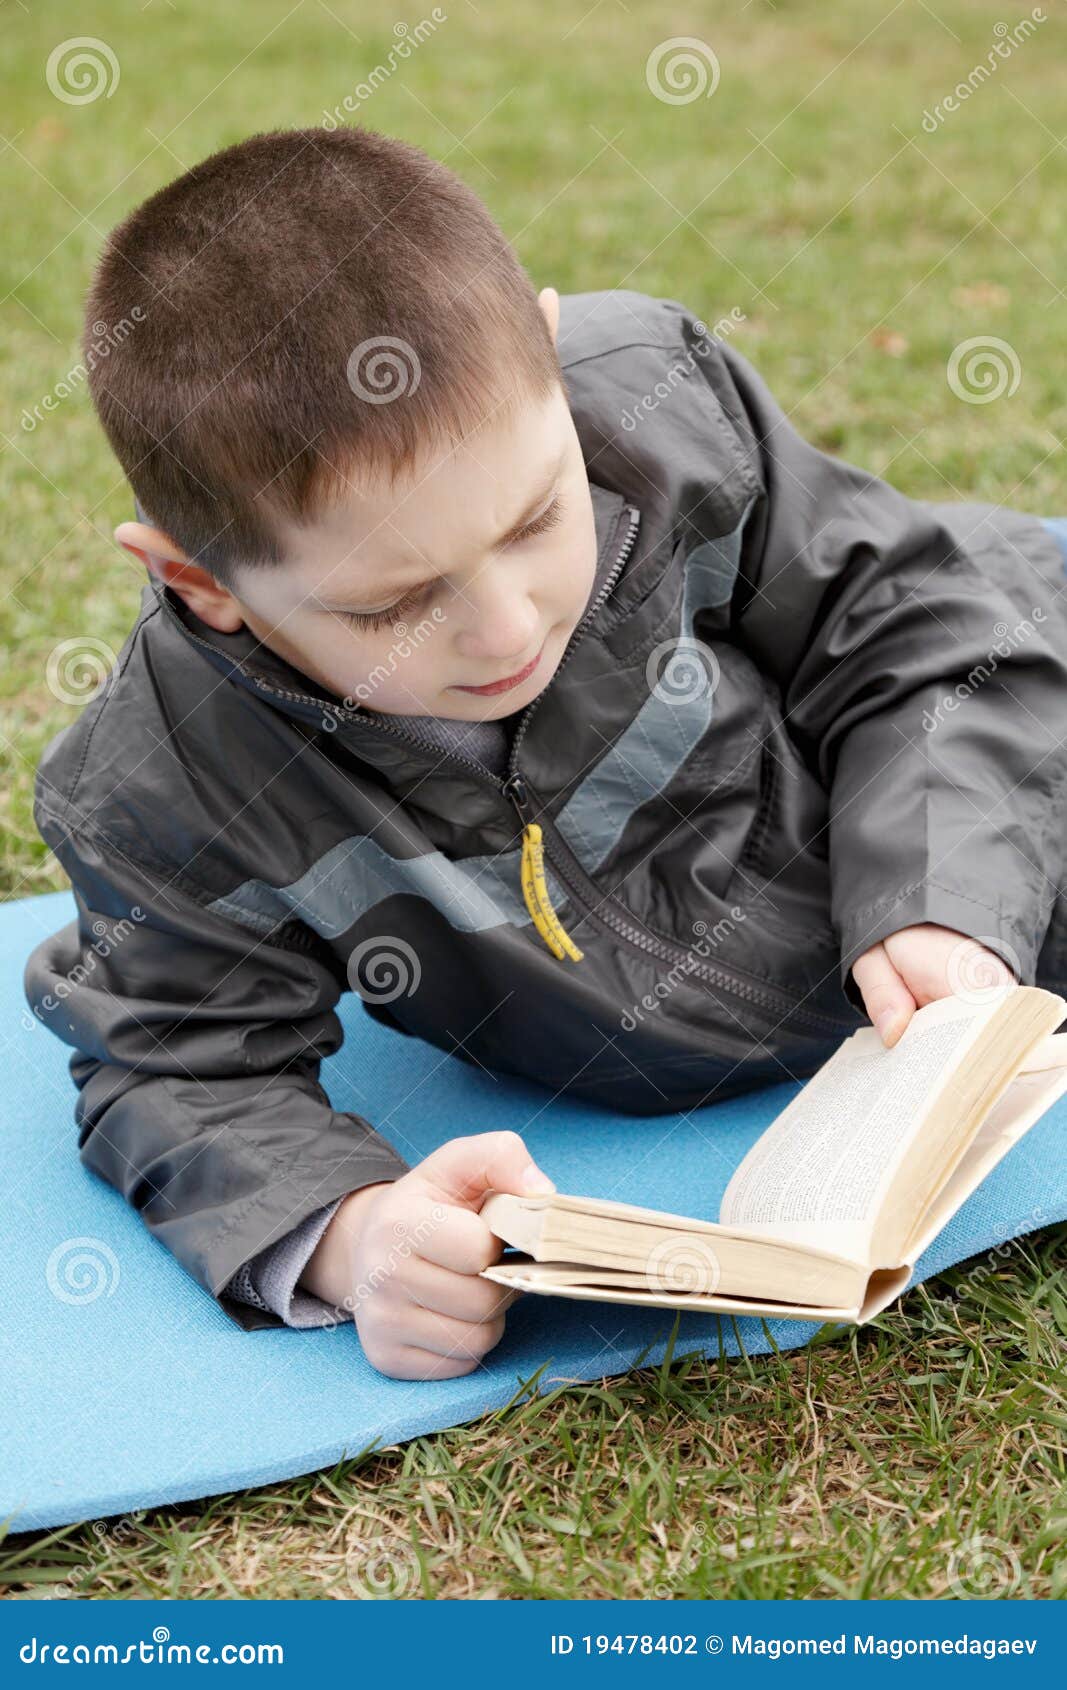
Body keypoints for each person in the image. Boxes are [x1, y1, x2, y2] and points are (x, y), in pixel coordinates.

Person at [23, 126, 1067, 1380]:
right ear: (203, 584)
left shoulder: (651, 406)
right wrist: (354, 1238)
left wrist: (939, 889)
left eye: (533, 520)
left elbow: (925, 630)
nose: (507, 627)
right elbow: (171, 1060)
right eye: (391, 604)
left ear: (551, 345)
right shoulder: (167, 784)